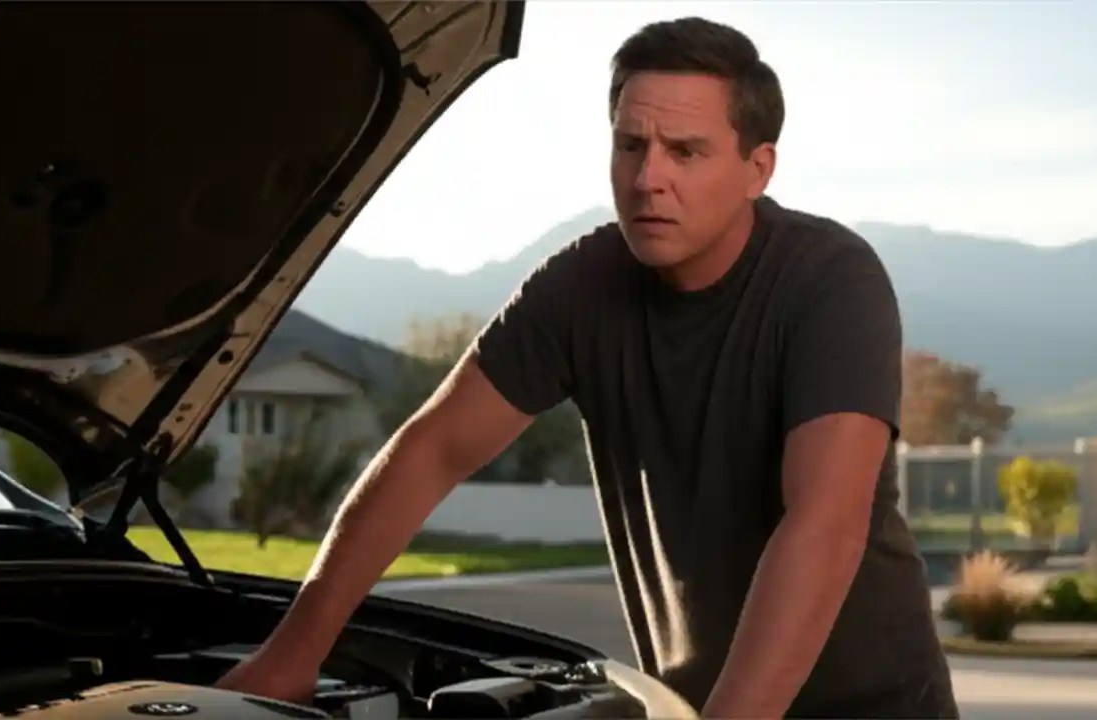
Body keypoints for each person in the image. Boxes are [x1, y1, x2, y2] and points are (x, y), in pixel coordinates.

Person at [216, 16, 958, 719]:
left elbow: (823, 525)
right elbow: (432, 449)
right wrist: (294, 653)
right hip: (689, 705)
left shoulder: (831, 282)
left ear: (757, 169)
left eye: (686, 151)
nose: (647, 178)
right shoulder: (580, 286)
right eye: (631, 145)